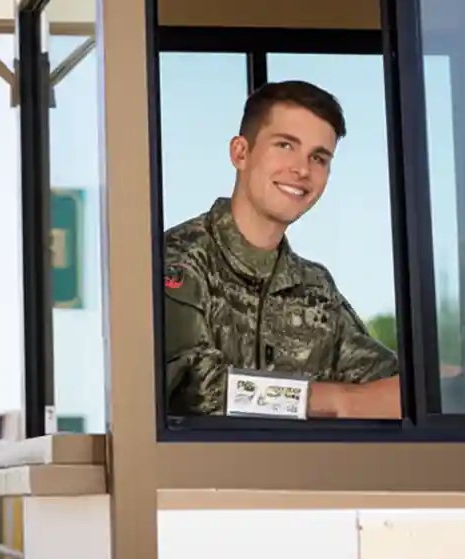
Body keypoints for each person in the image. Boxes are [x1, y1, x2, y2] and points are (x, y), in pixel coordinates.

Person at [163, 80, 401, 419]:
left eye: (319, 157)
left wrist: (459, 383)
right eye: (285, 145)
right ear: (240, 153)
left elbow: (386, 384)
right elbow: (200, 392)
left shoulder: (314, 287)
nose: (303, 170)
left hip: (301, 474)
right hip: (194, 473)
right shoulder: (177, 260)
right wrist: (337, 402)